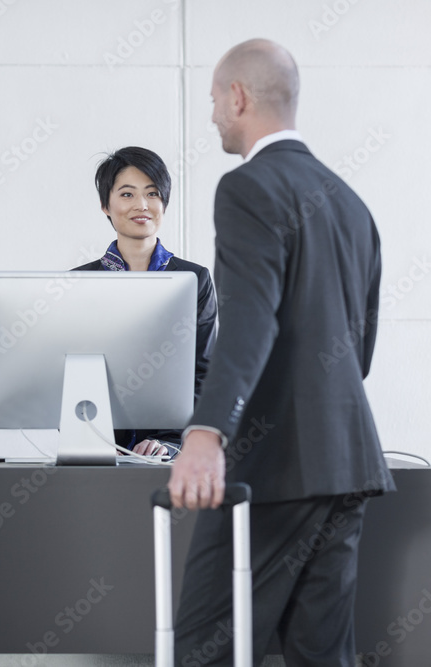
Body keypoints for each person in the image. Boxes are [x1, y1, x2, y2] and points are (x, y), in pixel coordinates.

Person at [168, 39, 394, 665]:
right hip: (346, 463)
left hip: (274, 470)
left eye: (215, 100)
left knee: (202, 651)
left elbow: (249, 322)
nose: (213, 115)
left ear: (239, 97)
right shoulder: (351, 203)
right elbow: (359, 352)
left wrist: (206, 433)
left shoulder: (247, 188)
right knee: (322, 656)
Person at [74, 146, 217, 458]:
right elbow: (68, 374)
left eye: (152, 193)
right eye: (127, 194)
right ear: (105, 205)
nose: (142, 205)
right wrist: (89, 438)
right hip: (95, 443)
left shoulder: (193, 279)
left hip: (169, 448)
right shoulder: (78, 283)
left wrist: (171, 442)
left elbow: (204, 373)